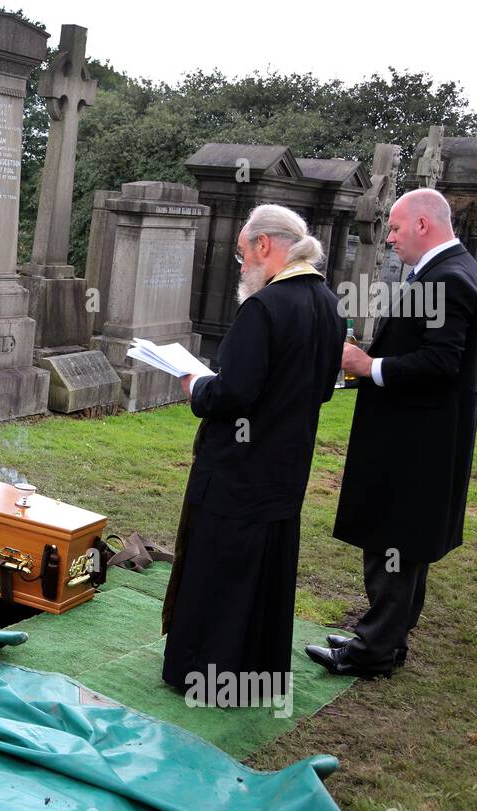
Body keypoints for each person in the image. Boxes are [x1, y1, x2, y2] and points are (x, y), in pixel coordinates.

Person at [161, 204, 344, 705]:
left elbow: (234, 393)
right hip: (286, 465)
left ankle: (208, 676)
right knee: (264, 572)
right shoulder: (328, 302)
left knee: (221, 569)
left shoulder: (264, 308)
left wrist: (197, 386)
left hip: (238, 468)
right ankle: (256, 677)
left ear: (265, 246)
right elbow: (323, 388)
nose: (241, 266)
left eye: (243, 254)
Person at [310, 188, 477, 678]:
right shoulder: (462, 269)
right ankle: (386, 639)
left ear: (422, 225)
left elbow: (440, 361)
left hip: (414, 442)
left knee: (392, 540)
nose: (389, 237)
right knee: (406, 545)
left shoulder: (449, 279)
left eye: (393, 228)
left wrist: (369, 366)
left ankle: (372, 652)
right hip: (428, 438)